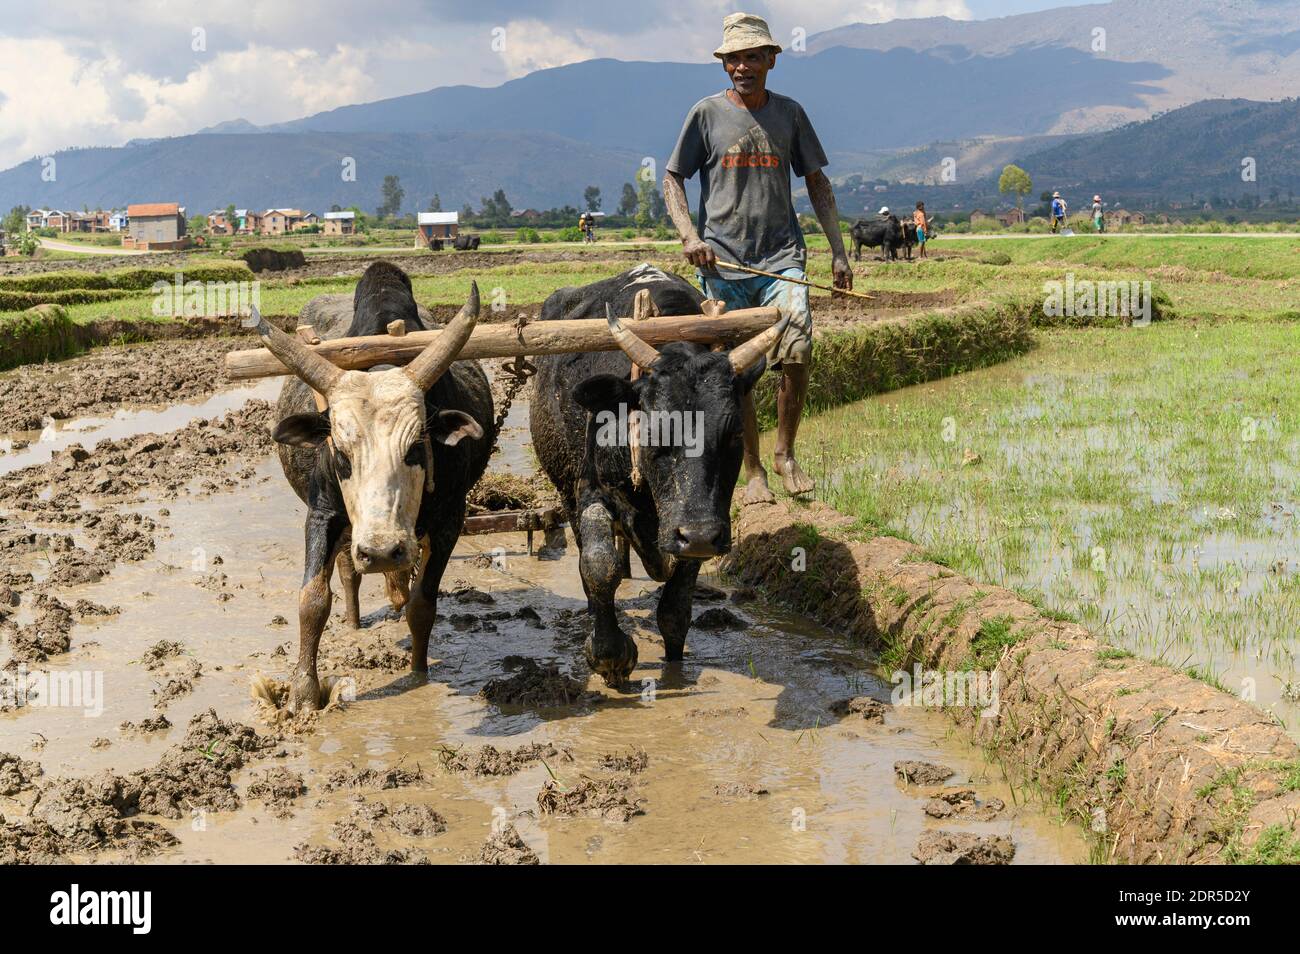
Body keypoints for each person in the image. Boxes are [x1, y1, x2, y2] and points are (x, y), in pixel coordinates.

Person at [664, 13, 853, 502]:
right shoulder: (705, 114)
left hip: (781, 256)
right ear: (724, 64)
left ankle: (785, 454)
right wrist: (690, 236)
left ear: (771, 60)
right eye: (733, 59)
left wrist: (838, 252)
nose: (741, 67)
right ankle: (752, 470)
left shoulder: (789, 114)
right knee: (736, 369)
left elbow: (817, 182)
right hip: (721, 263)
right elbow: (672, 180)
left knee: (798, 350)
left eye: (751, 57)